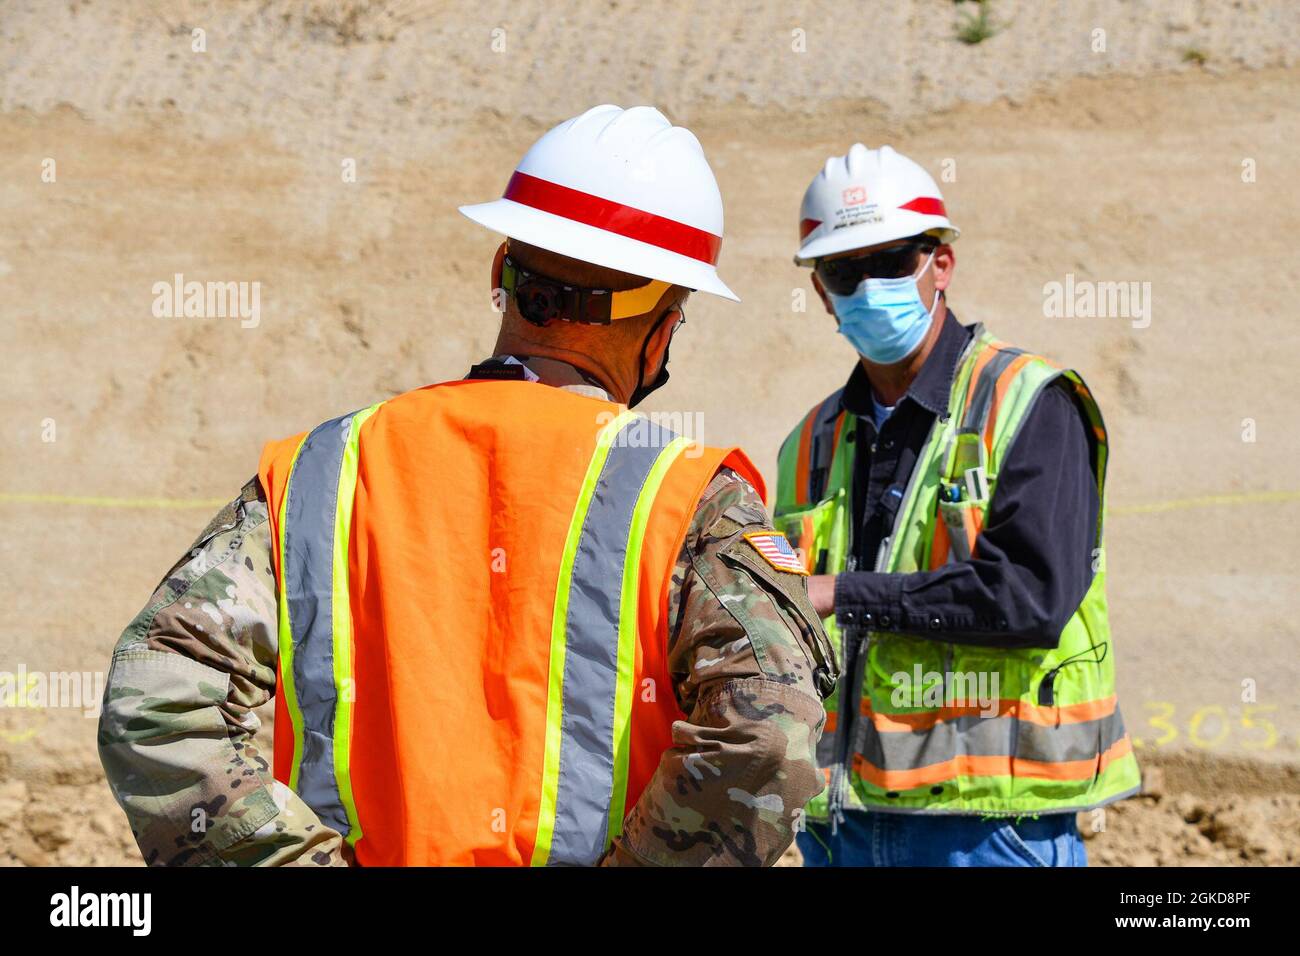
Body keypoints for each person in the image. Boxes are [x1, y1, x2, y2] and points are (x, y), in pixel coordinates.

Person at [97, 105, 836, 867]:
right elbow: (769, 732)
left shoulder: (320, 473)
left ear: (500, 273)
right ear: (663, 323)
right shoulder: (689, 498)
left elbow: (155, 703)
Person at [774, 143, 1140, 867]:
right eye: (846, 270)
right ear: (820, 291)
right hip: (839, 825)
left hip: (989, 830)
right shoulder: (809, 441)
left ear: (940, 263)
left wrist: (840, 594)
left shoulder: (1030, 404)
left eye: (893, 262)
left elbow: (1030, 597)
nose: (869, 285)